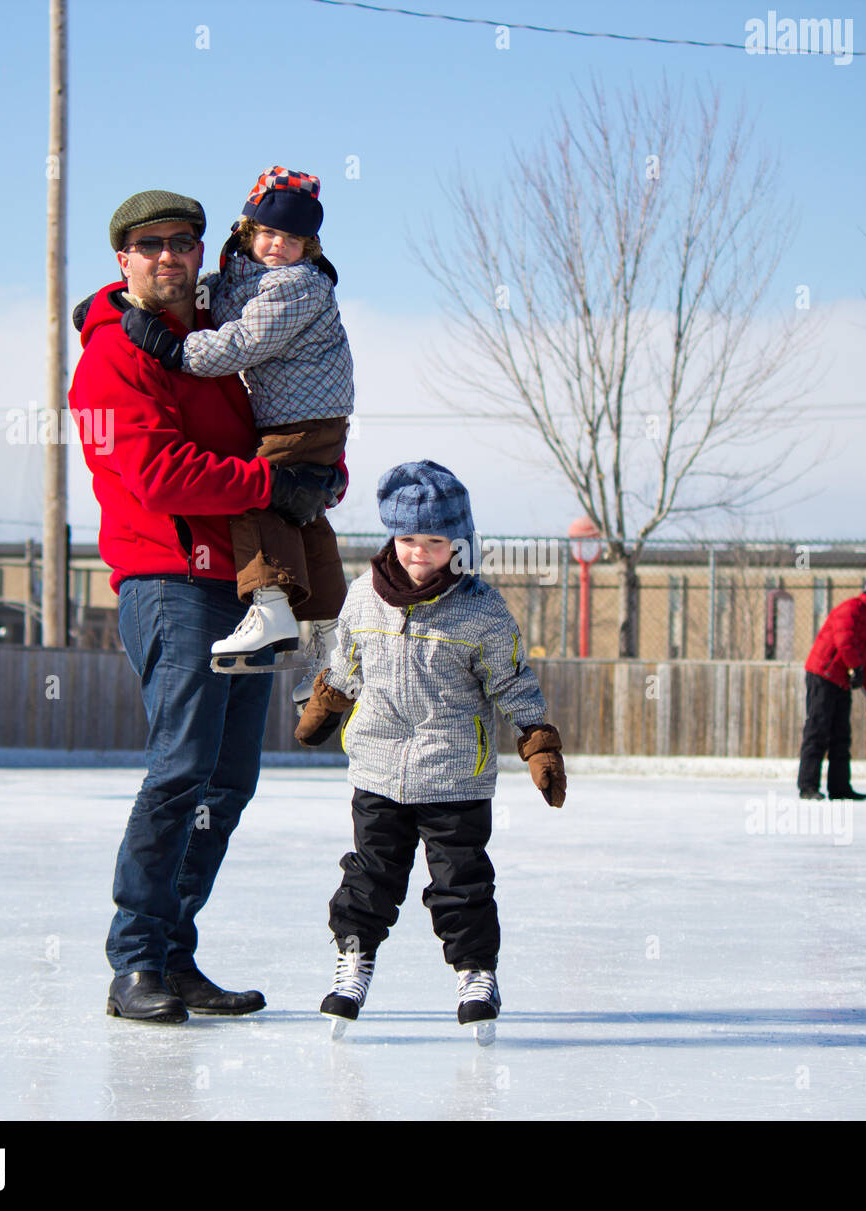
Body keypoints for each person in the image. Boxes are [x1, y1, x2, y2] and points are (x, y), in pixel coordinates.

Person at [69, 189, 341, 1023]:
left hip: (242, 586)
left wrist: (312, 476)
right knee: (182, 766)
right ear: (124, 260)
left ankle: (175, 952)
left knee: (229, 778)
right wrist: (271, 484)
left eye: (182, 243)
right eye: (149, 245)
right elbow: (157, 473)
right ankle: (135, 961)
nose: (168, 257)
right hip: (169, 583)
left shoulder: (213, 344)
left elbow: (273, 427)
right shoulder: (113, 356)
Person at [293, 460, 567, 1042]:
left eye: (435, 540)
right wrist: (326, 702)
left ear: (459, 543)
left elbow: (513, 681)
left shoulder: (482, 610)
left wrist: (537, 741)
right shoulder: (365, 597)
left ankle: (476, 973)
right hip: (378, 768)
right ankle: (354, 961)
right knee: (371, 875)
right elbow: (346, 661)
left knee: (461, 881)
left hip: (454, 774)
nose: (419, 551)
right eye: (408, 538)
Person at [120, 167, 352, 699]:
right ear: (248, 232)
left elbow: (242, 342)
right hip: (294, 415)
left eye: (292, 239)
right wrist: (115, 302)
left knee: (255, 493)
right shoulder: (243, 275)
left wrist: (172, 349)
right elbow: (200, 292)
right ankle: (334, 640)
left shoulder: (296, 286)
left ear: (309, 247)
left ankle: (270, 605)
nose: (278, 246)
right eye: (269, 234)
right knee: (303, 514)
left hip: (304, 417)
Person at [797, 572, 866, 802]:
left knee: (841, 734)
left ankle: (839, 788)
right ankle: (808, 786)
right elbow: (844, 641)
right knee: (818, 730)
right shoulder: (851, 609)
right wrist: (855, 667)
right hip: (823, 674)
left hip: (842, 679)